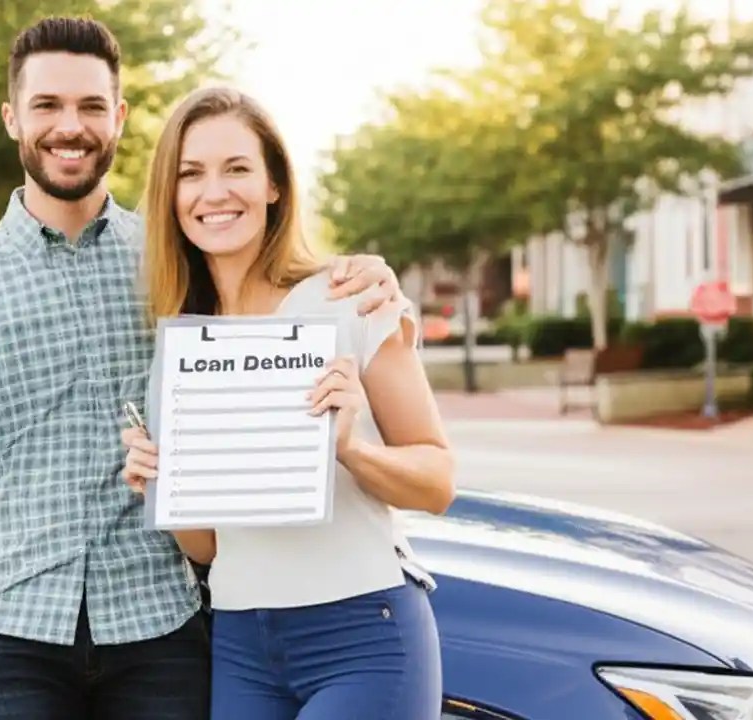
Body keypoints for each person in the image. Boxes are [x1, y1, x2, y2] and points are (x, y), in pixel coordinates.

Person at [0, 16, 408, 720]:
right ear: (13, 118)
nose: (69, 126)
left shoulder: (177, 260)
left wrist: (359, 273)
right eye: (47, 105)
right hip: (10, 628)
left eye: (91, 106)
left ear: (120, 118)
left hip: (159, 623)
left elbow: (270, 289)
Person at [120, 86, 455, 720]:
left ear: (274, 184)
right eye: (191, 174)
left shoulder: (348, 298)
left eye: (237, 168)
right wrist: (161, 485)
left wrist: (350, 449)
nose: (214, 193)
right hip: (241, 643)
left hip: (363, 635)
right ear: (170, 194)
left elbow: (437, 481)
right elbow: (210, 548)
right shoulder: (182, 344)